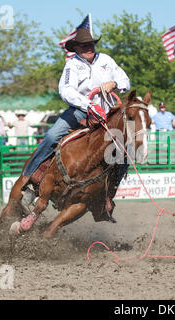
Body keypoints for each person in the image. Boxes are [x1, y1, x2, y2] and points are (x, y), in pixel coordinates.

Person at [17, 28, 130, 228]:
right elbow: (66, 90)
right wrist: (88, 105)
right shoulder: (73, 65)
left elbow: (125, 81)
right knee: (52, 136)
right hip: (81, 111)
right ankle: (30, 181)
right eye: (84, 45)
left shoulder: (106, 60)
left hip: (107, 114)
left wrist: (114, 83)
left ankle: (107, 199)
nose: (89, 48)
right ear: (76, 48)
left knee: (123, 157)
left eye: (91, 44)